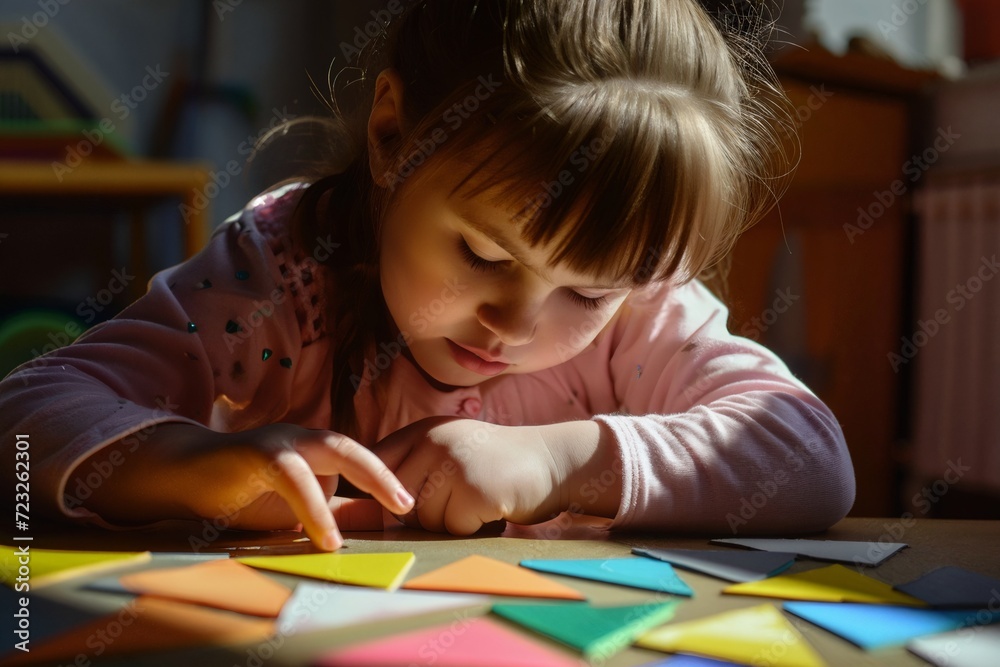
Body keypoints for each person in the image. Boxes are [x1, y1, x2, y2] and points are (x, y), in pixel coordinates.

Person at [0, 0, 855, 552]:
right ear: (390, 136)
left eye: (585, 293)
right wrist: (191, 461)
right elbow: (25, 418)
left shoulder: (639, 298)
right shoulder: (280, 270)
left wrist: (561, 461)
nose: (516, 325)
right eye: (484, 255)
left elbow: (810, 457)